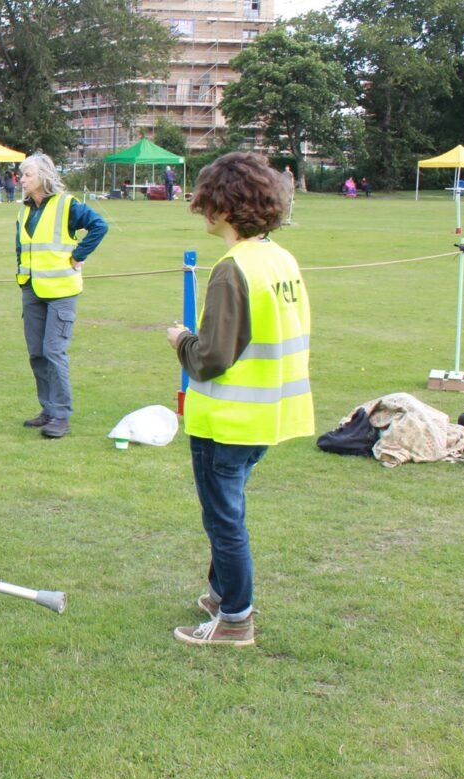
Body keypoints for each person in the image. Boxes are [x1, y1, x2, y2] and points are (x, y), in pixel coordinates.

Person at [165, 151, 314, 647]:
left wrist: (181, 340)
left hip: (228, 418)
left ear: (225, 207)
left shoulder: (233, 269)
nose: (200, 210)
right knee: (227, 511)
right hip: (266, 415)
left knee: (223, 519)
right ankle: (221, 593)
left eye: (206, 201)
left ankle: (235, 619)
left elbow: (212, 357)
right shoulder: (280, 258)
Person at [16, 153, 109, 438]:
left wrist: (79, 255)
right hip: (32, 289)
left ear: (43, 176)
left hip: (61, 292)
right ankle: (48, 409)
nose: (22, 179)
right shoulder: (25, 210)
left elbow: (99, 226)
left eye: (27, 174)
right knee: (36, 353)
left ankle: (61, 416)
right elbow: (22, 247)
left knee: (53, 351)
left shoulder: (67, 205)